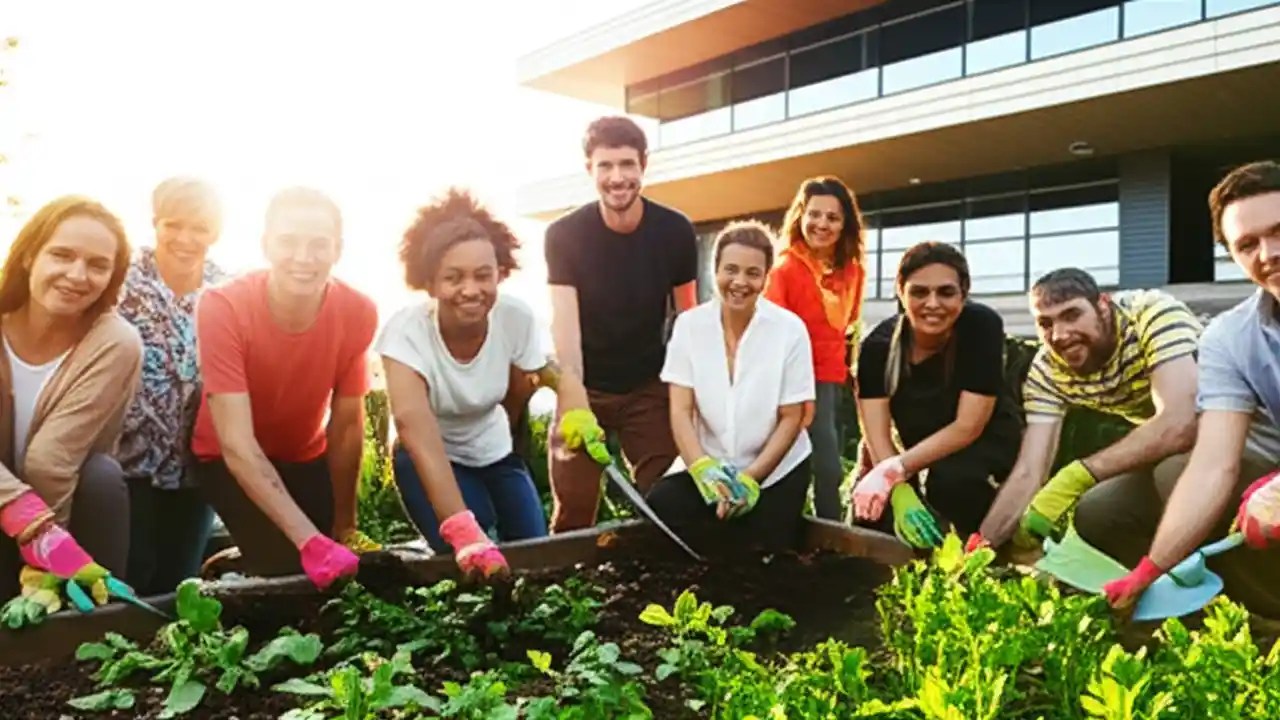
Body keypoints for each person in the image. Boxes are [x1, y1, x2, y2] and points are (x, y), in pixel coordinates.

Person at [377, 189, 591, 578]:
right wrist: (464, 531)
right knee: (470, 554)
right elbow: (413, 428)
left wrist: (578, 412)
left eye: (483, 275)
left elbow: (552, 373)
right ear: (430, 283)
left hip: (495, 454)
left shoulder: (514, 318)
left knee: (535, 554)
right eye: (453, 278)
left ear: (499, 273)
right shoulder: (406, 334)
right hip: (428, 458)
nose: (471, 290)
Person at [1104, 160, 1280, 616]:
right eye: (1247, 245)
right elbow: (1212, 465)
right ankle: (1261, 621)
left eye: (1279, 231)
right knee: (1135, 494)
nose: (1269, 253)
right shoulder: (1229, 336)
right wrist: (1152, 567)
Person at [192, 186, 378, 591]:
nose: (303, 257)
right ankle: (240, 567)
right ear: (265, 245)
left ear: (338, 249)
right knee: (291, 574)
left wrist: (343, 526)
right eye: (288, 242)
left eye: (318, 244)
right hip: (227, 458)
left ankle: (247, 555)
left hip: (303, 455)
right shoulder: (223, 306)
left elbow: (346, 425)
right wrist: (309, 540)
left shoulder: (358, 310)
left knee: (333, 573)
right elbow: (238, 445)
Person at [972, 269, 1201, 555]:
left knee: (1173, 473)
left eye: (1071, 315)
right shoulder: (1047, 372)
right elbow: (1030, 470)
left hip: (1244, 427)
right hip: (1170, 445)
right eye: (1045, 323)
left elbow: (1180, 423)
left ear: (1103, 305)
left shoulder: (1150, 313)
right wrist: (982, 548)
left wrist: (1076, 476)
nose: (1060, 335)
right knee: (1094, 512)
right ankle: (1150, 586)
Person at [544, 116, 699, 532]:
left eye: (627, 165)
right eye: (606, 166)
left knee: (667, 500)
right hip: (585, 385)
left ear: (643, 166)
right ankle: (567, 588)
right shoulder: (563, 235)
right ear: (589, 169)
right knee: (573, 513)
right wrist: (573, 396)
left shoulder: (675, 230)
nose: (617, 178)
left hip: (647, 385)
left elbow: (689, 320)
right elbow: (564, 326)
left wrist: (691, 396)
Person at [0, 195, 142, 615]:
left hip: (67, 515)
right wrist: (31, 529)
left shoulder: (114, 342)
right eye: (61, 255)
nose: (77, 276)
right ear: (29, 256)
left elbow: (50, 460)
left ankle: (95, 626)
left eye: (98, 265)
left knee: (101, 475)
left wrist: (48, 566)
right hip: (14, 509)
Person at [647, 221, 815, 553]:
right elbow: (681, 411)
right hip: (714, 466)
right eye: (731, 270)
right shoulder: (690, 326)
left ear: (766, 277)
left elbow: (791, 418)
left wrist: (752, 479)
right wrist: (700, 467)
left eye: (753, 273)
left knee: (761, 548)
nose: (740, 282)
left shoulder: (789, 330)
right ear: (714, 271)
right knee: (663, 507)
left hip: (776, 468)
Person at [850, 242, 1021, 547]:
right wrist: (900, 492)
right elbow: (876, 434)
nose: (933, 303)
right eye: (919, 292)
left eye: (946, 292)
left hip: (982, 442)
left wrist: (895, 471)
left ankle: (988, 556)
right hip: (915, 448)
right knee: (871, 510)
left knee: (951, 483)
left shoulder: (981, 327)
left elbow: (968, 425)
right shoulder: (877, 348)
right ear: (901, 293)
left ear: (963, 294)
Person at [116, 177, 229, 595]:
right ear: (155, 223)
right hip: (128, 459)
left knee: (180, 583)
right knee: (132, 572)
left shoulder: (225, 291)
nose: (185, 238)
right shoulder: (121, 281)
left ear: (214, 233)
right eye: (173, 224)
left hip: (194, 464)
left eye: (198, 228)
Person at [763, 176, 866, 521]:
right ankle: (817, 532)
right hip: (791, 380)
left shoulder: (853, 271)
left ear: (845, 224)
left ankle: (827, 538)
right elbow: (771, 331)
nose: (822, 224)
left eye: (833, 218)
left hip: (830, 378)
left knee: (826, 467)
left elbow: (848, 324)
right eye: (814, 214)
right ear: (800, 216)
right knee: (819, 464)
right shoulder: (785, 268)